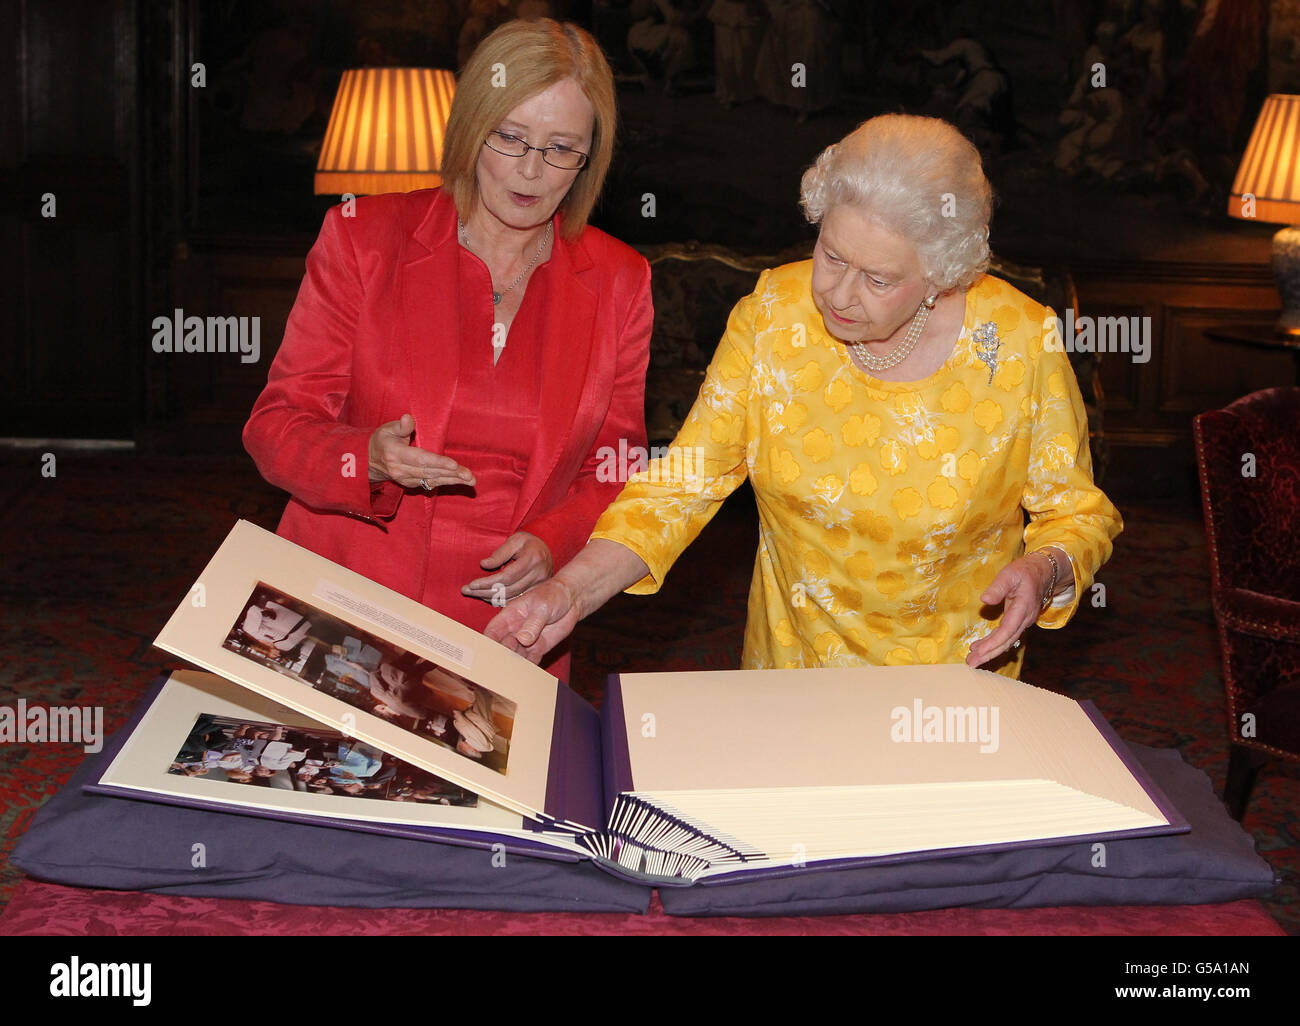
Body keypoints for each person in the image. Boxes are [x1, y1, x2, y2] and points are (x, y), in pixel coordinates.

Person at [488, 114, 1122, 677]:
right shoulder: (773, 315)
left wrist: (1047, 570)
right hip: (789, 679)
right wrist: (568, 591)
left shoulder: (1018, 343)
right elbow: (681, 487)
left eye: (878, 278)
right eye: (831, 255)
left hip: (952, 689)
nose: (840, 295)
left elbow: (1079, 514)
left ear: (943, 272)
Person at [243, 19, 652, 682]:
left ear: (590, 156)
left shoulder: (618, 280)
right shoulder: (366, 240)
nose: (531, 170)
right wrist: (363, 458)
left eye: (560, 149)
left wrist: (555, 545)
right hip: (345, 599)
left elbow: (617, 464)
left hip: (511, 624)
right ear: (470, 128)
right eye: (511, 137)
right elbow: (274, 429)